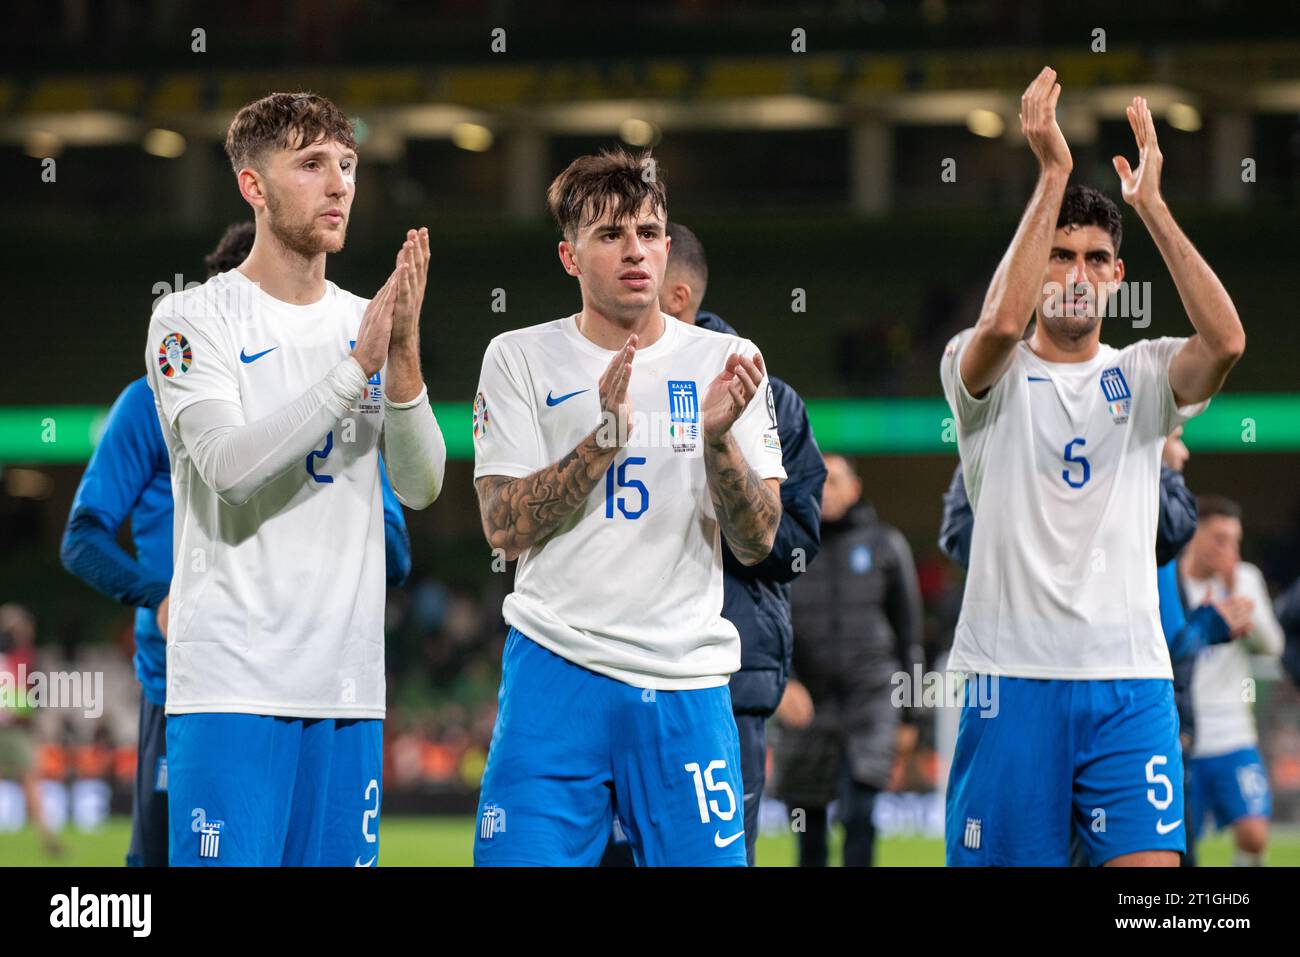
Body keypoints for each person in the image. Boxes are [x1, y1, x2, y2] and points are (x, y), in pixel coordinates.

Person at [940, 68, 1245, 866]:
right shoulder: (980, 373)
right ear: (1037, 265)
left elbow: (1226, 344)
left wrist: (1153, 208)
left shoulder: (1143, 373)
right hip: (1013, 680)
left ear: (1117, 273)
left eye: (1095, 258)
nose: (1075, 273)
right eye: (1059, 255)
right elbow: (1004, 321)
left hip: (1130, 683)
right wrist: (1052, 172)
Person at [145, 92, 445, 866]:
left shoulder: (368, 320)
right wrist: (356, 369)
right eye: (311, 165)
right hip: (232, 689)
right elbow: (231, 467)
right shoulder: (192, 319)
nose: (339, 184)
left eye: (346, 165)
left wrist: (402, 356)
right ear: (253, 185)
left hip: (347, 688)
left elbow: (420, 485)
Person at [60, 222, 413, 866]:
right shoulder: (151, 399)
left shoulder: (342, 384)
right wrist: (158, 596)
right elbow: (81, 535)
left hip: (322, 668)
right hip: (190, 672)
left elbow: (398, 538)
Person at [471, 149, 785, 866]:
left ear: (669, 247)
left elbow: (759, 539)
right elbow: (504, 526)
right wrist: (602, 440)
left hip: (686, 681)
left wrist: (717, 444)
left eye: (647, 232)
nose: (635, 250)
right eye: (610, 235)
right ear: (569, 256)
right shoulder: (518, 357)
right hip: (557, 668)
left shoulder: (728, 361)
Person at [601, 222, 825, 866]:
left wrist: (715, 501)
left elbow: (796, 543)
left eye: (645, 253)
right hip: (614, 658)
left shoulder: (769, 399)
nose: (629, 265)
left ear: (674, 297)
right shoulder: (602, 379)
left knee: (713, 855)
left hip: (726, 673)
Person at [772, 454, 922, 866]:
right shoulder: (789, 548)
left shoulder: (885, 547)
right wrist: (785, 682)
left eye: (835, 481)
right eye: (819, 481)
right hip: (808, 706)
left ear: (855, 488)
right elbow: (770, 628)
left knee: (859, 816)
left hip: (871, 701)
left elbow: (910, 639)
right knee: (807, 826)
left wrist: (911, 717)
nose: (826, 490)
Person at [1180, 495, 1284, 865]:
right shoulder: (1171, 584)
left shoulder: (1246, 579)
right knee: (1181, 847)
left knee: (1255, 834)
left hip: (1234, 734)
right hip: (1184, 738)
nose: (1229, 550)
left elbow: (1273, 646)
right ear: (1194, 536)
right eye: (1219, 539)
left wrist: (1236, 595)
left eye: (1235, 540)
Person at [0, 605, 62, 856]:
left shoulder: (24, 657)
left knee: (30, 781)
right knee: (30, 781)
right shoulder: (15, 656)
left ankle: (47, 838)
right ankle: (47, 839)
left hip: (16, 727)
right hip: (12, 728)